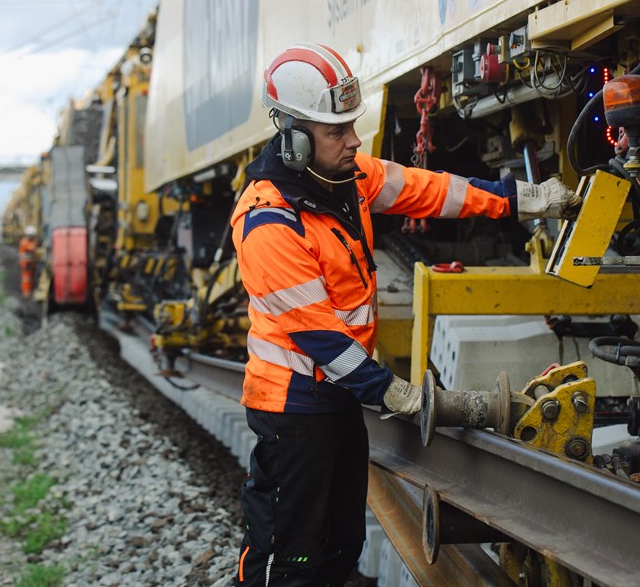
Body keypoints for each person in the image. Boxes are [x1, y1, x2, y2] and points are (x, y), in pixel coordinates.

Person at [230, 43, 581, 586]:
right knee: (288, 556)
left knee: (340, 546)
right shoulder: (268, 224)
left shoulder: (347, 178)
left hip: (336, 401)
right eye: (336, 132)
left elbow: (431, 190)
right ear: (294, 139)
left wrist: (519, 199)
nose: (353, 141)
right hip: (293, 410)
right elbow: (322, 337)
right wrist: (396, 393)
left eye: (352, 125)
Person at [18, 225, 38, 298]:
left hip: (32, 263)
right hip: (26, 263)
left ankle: (30, 290)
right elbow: (25, 252)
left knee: (31, 278)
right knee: (26, 278)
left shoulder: (33, 241)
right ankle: (26, 292)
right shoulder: (24, 242)